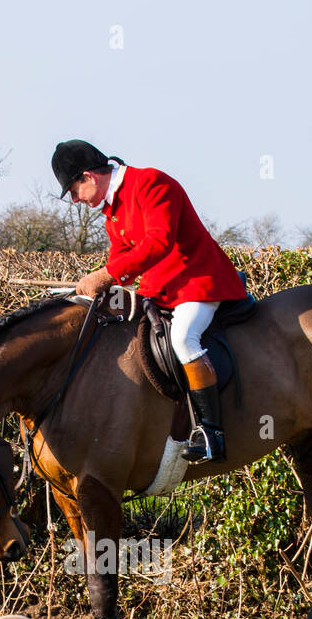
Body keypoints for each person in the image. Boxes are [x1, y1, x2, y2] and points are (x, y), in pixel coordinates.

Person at [51, 139, 246, 462]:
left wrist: (106, 274)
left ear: (88, 176)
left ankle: (212, 434)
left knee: (184, 339)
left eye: (74, 191)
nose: (75, 199)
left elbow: (160, 241)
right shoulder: (112, 213)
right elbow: (121, 261)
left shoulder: (150, 182)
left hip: (197, 282)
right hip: (159, 290)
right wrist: (99, 286)